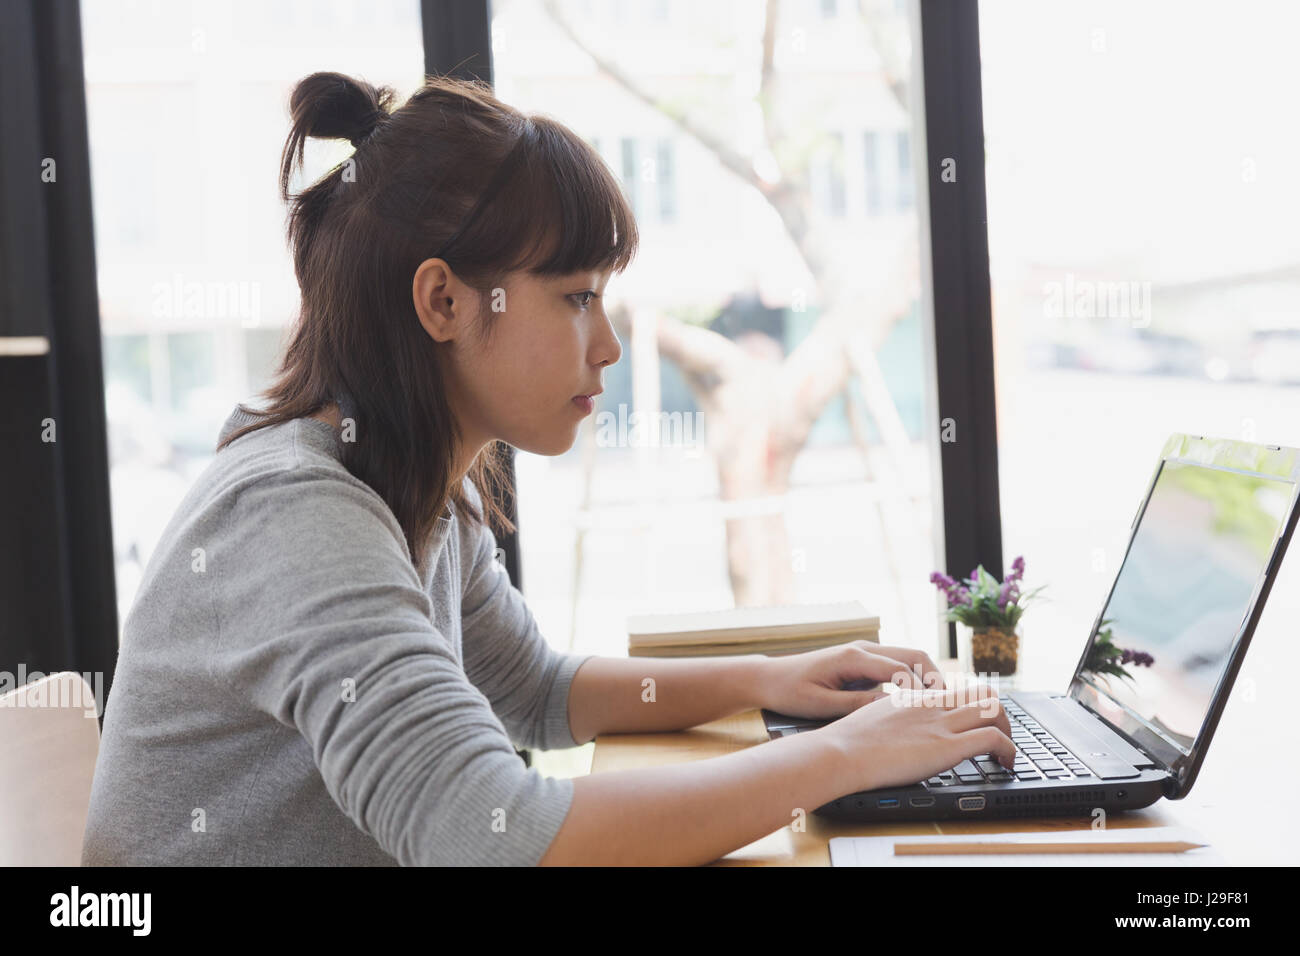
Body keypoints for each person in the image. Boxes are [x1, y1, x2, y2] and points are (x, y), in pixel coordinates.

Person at [81, 71, 1014, 868]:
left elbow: (534, 688)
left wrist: (770, 680)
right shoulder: (294, 513)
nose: (607, 345)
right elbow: (489, 831)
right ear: (444, 301)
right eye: (575, 297)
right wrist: (847, 757)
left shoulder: (417, 487)